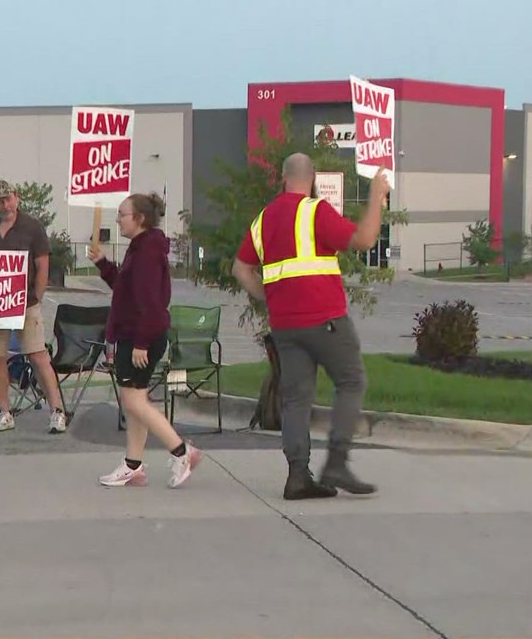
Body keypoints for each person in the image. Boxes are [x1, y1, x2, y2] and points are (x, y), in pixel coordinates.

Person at [231, 154, 390, 500]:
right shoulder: (315, 212)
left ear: (283, 178)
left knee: (296, 399)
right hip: (325, 318)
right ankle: (336, 461)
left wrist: (269, 296)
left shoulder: (262, 220)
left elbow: (240, 269)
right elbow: (364, 240)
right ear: (312, 178)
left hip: (285, 326)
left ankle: (298, 476)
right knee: (351, 380)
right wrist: (376, 196)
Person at [89, 193, 204, 488]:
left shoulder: (147, 251)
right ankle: (133, 465)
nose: (118, 220)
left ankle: (182, 451)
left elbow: (150, 301)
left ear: (139, 218)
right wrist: (103, 263)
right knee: (135, 401)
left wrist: (141, 342)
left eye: (122, 214)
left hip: (140, 335)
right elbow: (125, 289)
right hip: (135, 333)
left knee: (133, 400)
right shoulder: (139, 248)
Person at [0, 180, 67, 434]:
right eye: (0, 201)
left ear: (17, 197)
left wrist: (37, 294)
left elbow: (43, 263)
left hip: (26, 303)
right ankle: (4, 412)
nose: (6, 204)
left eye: (9, 198)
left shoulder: (32, 227)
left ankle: (57, 411)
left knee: (38, 355)